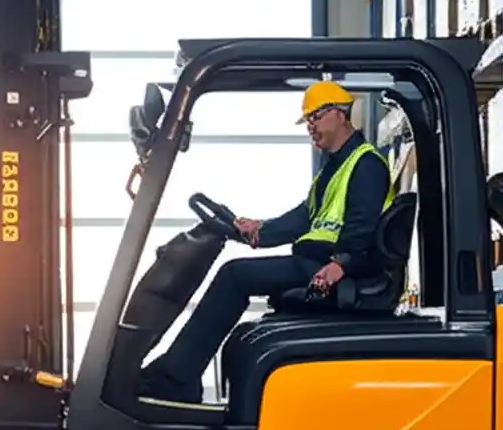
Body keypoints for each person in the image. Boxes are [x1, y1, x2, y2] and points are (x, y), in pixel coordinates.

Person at [138, 81, 393, 404]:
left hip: (330, 267)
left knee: (234, 276)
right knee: (236, 274)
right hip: (315, 262)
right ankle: (175, 372)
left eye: (315, 117)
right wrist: (259, 230)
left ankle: (177, 378)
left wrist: (340, 265)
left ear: (340, 114)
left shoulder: (365, 164)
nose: (310, 127)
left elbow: (362, 224)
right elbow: (304, 218)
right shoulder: (335, 167)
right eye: (308, 121)